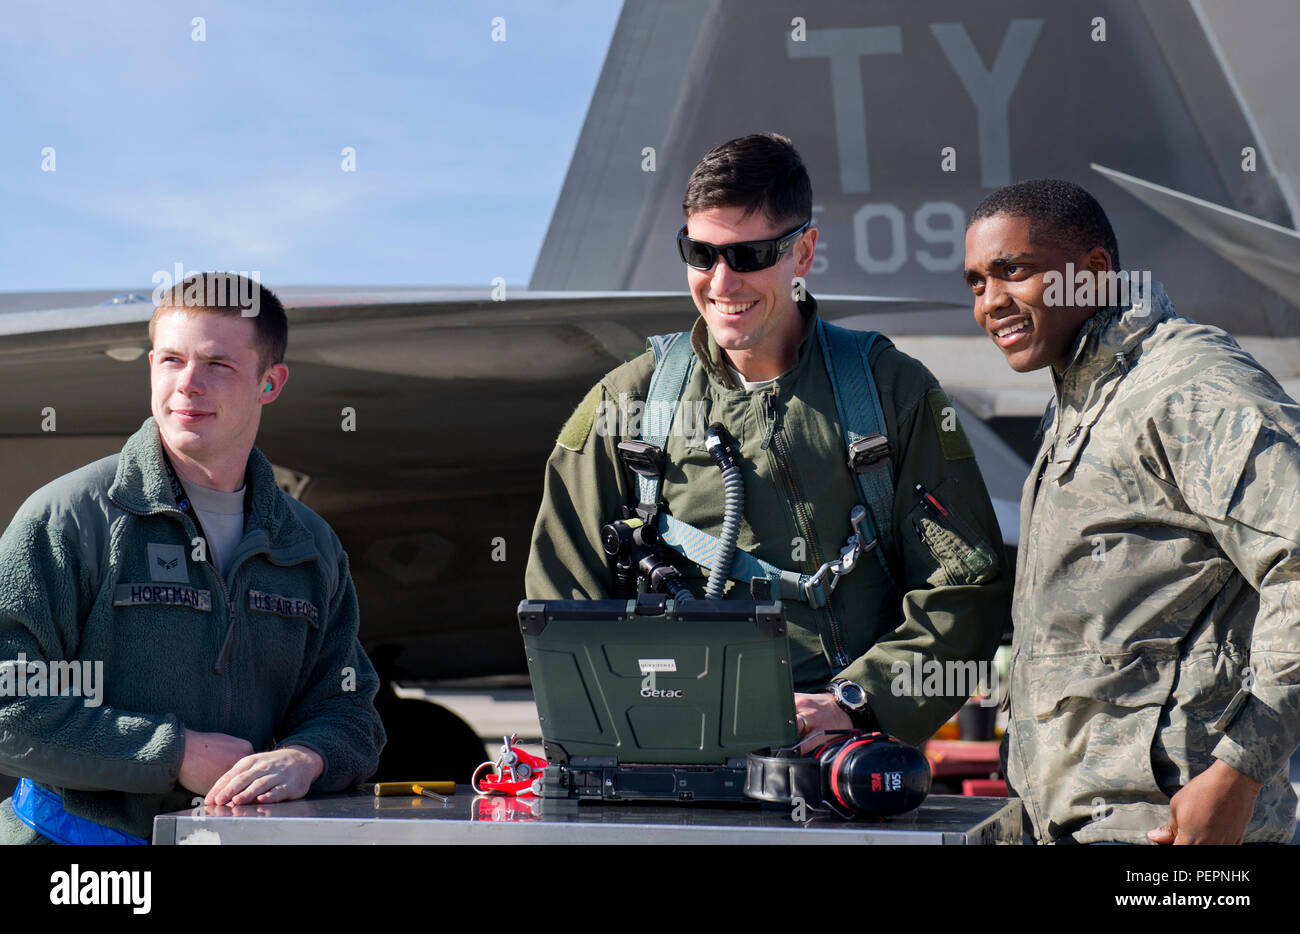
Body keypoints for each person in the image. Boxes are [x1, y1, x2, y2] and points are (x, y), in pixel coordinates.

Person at [525, 133, 1010, 748]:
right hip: (676, 752)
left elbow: (965, 590)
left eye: (749, 255)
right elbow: (561, 598)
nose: (721, 282)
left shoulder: (892, 391)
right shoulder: (628, 403)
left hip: (845, 756)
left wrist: (856, 703)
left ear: (803, 252)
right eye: (700, 253)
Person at [964, 179, 1300, 844]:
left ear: (1092, 274)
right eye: (975, 282)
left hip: (1185, 836)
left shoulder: (1190, 387)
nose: (991, 302)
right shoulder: (1081, 402)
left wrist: (1240, 770)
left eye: (1015, 272)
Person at [0, 273, 385, 844]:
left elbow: (350, 706)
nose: (188, 385)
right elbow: (9, 704)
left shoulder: (308, 545)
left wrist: (309, 757)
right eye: (172, 360)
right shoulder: (71, 519)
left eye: (218, 365)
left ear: (270, 382)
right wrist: (172, 752)